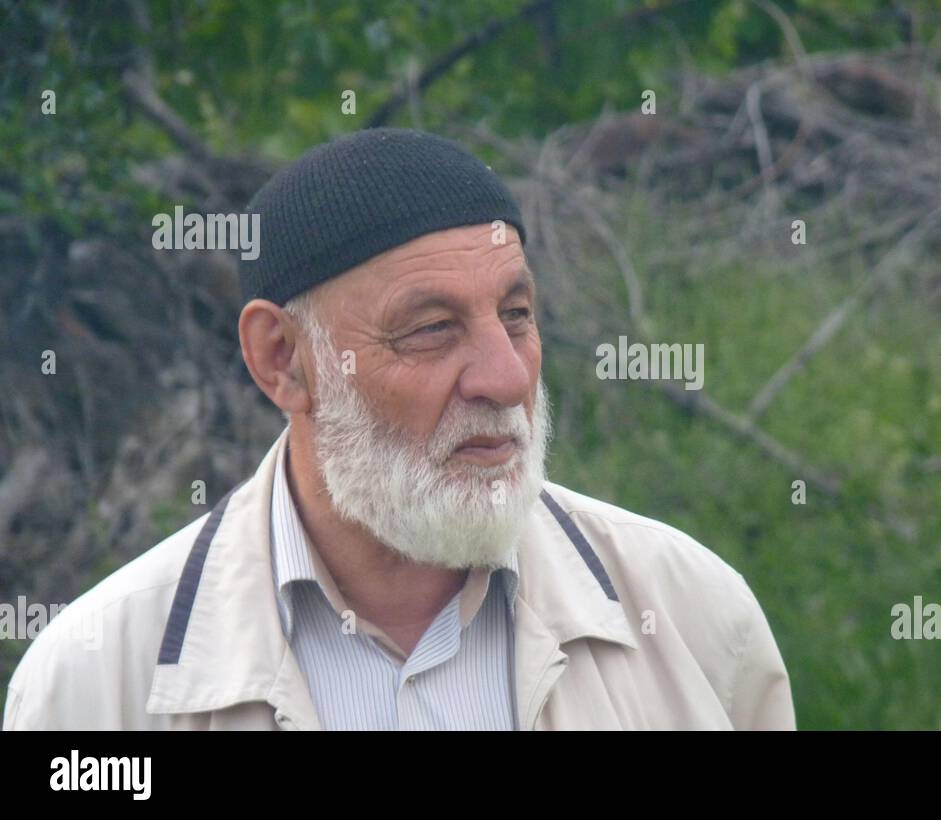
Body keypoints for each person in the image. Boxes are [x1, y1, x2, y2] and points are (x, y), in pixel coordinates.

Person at [3, 128, 796, 730]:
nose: (507, 378)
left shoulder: (691, 614)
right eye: (430, 330)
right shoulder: (93, 685)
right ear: (282, 359)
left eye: (515, 316)